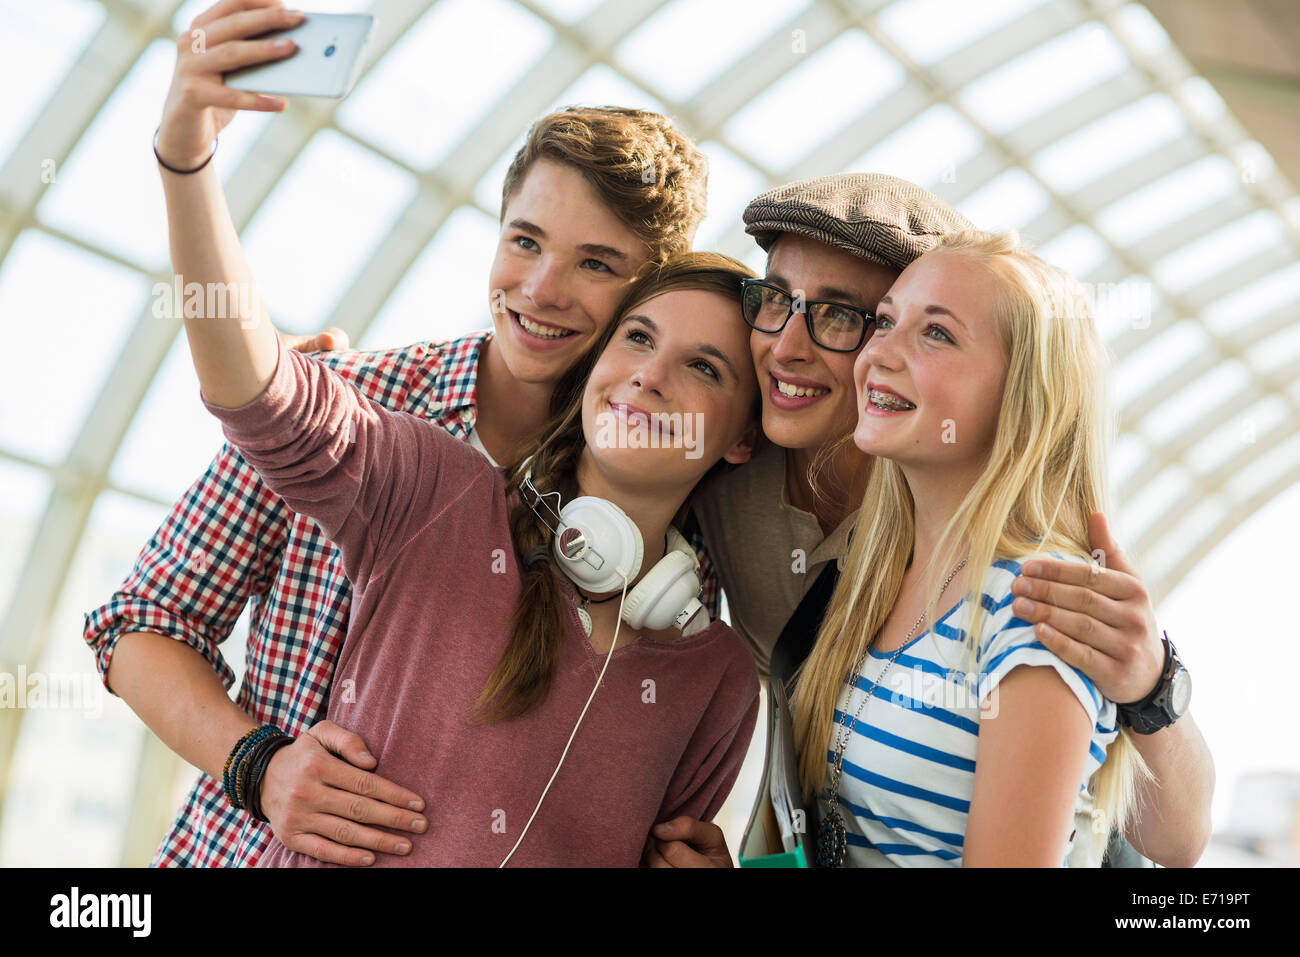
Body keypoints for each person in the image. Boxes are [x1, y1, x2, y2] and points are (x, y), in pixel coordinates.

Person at [83, 0, 709, 867]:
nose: (540, 287)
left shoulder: (647, 519)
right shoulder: (353, 402)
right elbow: (140, 623)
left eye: (596, 263)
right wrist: (257, 764)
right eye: (524, 240)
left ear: (648, 293)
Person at [650, 175, 1213, 867]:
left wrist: (1153, 684)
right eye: (886, 321)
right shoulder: (875, 554)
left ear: (1022, 390)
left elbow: (1177, 839)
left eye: (842, 316)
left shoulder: (1034, 602)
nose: (791, 346)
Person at [188, 249, 763, 866]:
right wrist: (188, 166)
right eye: (639, 337)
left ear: (741, 439)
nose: (649, 376)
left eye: (703, 367)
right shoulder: (438, 490)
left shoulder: (718, 681)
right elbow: (258, 398)